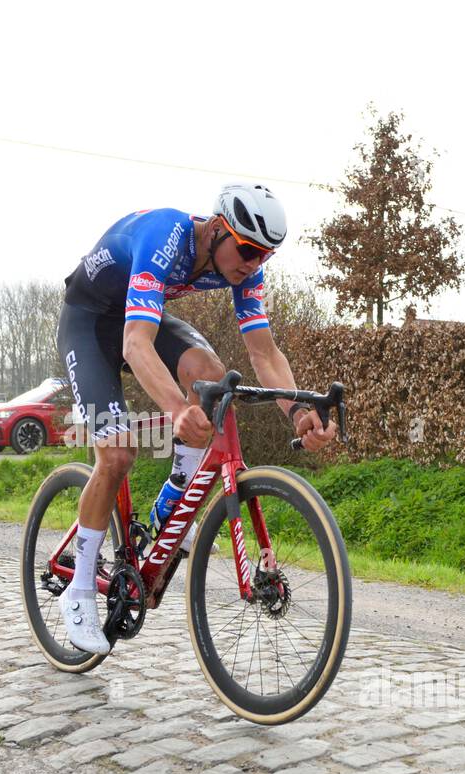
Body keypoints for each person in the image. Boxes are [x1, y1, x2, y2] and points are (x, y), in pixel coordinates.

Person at [55, 183, 340, 654]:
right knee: (118, 452)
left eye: (265, 256)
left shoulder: (244, 272)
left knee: (211, 375)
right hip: (89, 320)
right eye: (247, 249)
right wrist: (176, 410)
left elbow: (263, 352)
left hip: (137, 316)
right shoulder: (165, 234)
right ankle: (80, 588)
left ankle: (175, 497)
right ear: (216, 229)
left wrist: (299, 412)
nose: (253, 263)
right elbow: (135, 345)